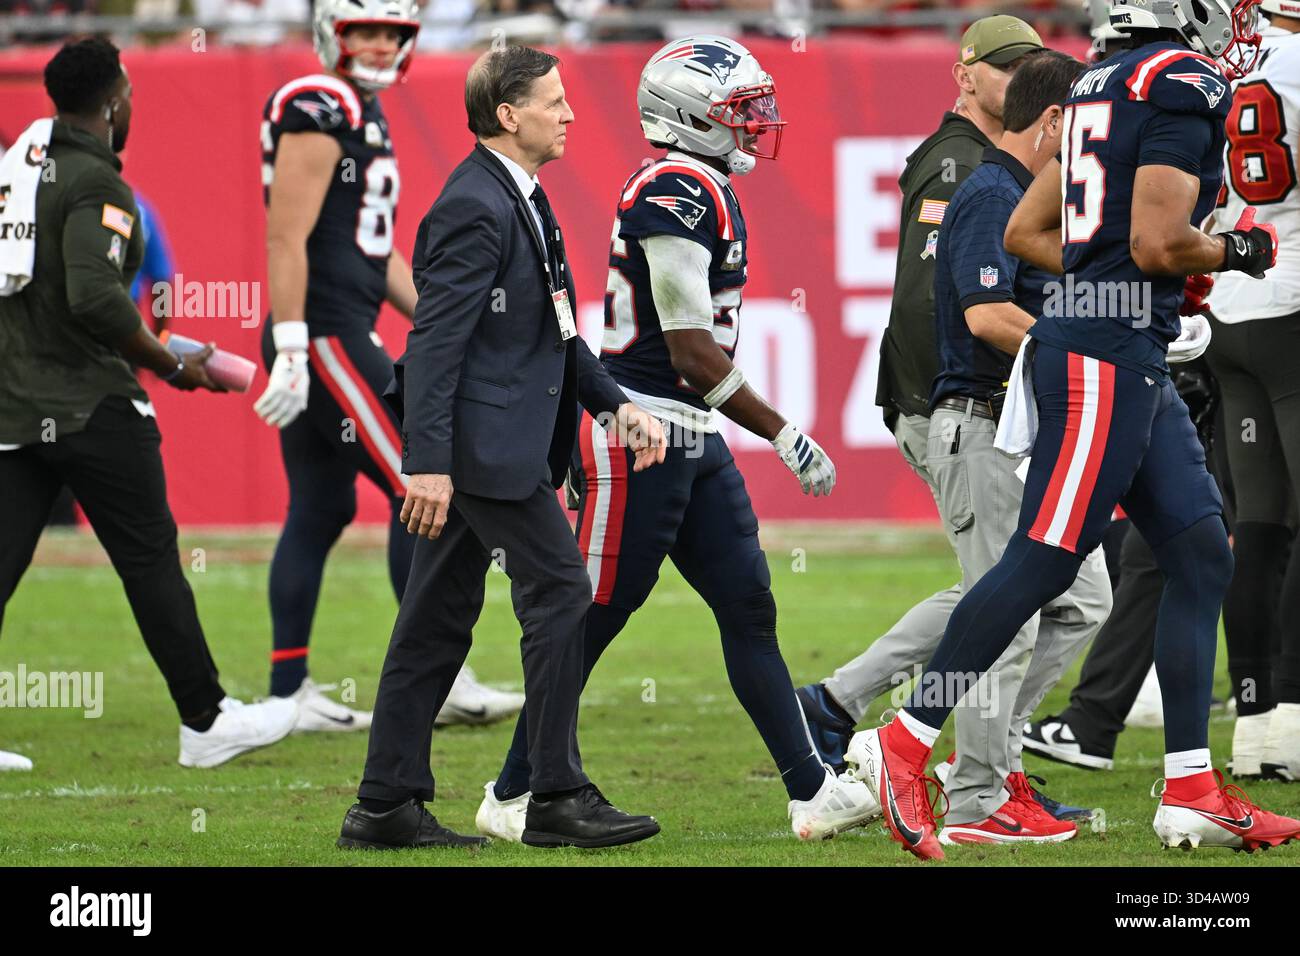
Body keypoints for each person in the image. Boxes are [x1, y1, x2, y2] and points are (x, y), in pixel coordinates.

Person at [849, 0, 1300, 860]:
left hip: (1118, 347)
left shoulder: (1092, 82)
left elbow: (1033, 233)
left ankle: (1193, 789)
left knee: (1203, 551)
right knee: (1046, 560)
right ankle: (905, 744)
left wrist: (1128, 283)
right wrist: (1236, 253)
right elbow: (1165, 243)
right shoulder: (1184, 82)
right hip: (1101, 361)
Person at [474, 35, 877, 844]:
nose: (758, 122)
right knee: (591, 616)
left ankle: (811, 791)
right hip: (643, 431)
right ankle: (514, 790)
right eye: (740, 110)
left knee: (748, 605)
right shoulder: (677, 188)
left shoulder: (705, 183)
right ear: (691, 116)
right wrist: (784, 430)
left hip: (688, 438)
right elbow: (691, 350)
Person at [338, 45, 667, 850]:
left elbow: (556, 332)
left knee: (434, 622)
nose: (571, 113)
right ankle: (555, 792)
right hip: (482, 454)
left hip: (491, 448)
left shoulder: (520, 195)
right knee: (558, 593)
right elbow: (437, 343)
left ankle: (384, 806)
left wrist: (613, 404)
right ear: (509, 115)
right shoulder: (474, 205)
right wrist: (428, 463)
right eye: (555, 102)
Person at [805, 52, 1113, 846]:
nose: (1091, 141)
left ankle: (942, 743)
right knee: (1004, 616)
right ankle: (978, 792)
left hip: (1023, 431)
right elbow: (984, 313)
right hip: (979, 424)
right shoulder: (983, 188)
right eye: (1081, 124)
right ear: (1052, 122)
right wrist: (1085, 352)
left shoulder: (1022, 193)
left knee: (1081, 599)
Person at [0, 38, 298, 771]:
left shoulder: (21, 175)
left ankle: (207, 715)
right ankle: (205, 719)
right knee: (150, 559)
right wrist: (170, 361)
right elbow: (95, 296)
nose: (131, 103)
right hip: (91, 405)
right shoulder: (97, 183)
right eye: (127, 91)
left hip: (14, 406)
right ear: (111, 102)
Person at [256, 0, 523, 732]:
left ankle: (289, 692)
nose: (378, 44)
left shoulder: (359, 109)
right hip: (324, 336)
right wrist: (289, 345)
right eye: (364, 31)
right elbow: (286, 238)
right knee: (424, 483)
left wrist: (445, 322)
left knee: (321, 508)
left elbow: (374, 256)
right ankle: (436, 676)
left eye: (391, 33)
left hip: (333, 330)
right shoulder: (321, 103)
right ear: (332, 36)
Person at [804, 17, 1042, 762]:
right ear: (964, 74)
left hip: (993, 412)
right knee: (1005, 597)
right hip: (961, 409)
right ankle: (974, 779)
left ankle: (844, 702)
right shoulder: (959, 164)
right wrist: (937, 405)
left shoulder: (994, 160)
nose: (1020, 83)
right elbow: (920, 299)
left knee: (1048, 589)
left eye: (1030, 69)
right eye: (1005, 68)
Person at [1204, 0, 1300, 782]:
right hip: (1293, 309)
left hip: (1231, 307)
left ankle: (1255, 721)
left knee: (1260, 525)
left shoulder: (1233, 69)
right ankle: (1295, 720)